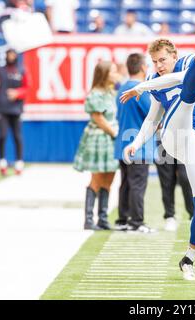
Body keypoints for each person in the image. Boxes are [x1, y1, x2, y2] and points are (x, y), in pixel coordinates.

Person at [120, 17, 195, 281]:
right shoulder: (157, 79)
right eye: (154, 62)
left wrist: (141, 85)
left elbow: (185, 77)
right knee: (187, 97)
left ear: (175, 56)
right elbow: (152, 119)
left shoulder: (187, 67)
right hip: (173, 137)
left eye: (162, 60)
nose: (158, 66)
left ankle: (189, 259)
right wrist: (136, 143)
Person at [73, 62, 120, 231]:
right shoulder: (95, 94)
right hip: (100, 139)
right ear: (104, 74)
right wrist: (115, 133)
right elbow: (98, 119)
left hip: (111, 139)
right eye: (113, 71)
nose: (116, 74)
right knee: (97, 179)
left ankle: (103, 218)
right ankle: (88, 219)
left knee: (109, 179)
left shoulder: (112, 93)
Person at [114, 53, 156, 233]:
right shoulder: (141, 90)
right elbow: (154, 114)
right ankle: (136, 221)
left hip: (122, 144)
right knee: (138, 184)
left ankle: (123, 219)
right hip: (139, 147)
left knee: (125, 184)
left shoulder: (122, 88)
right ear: (142, 68)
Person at [0, 48, 29, 176]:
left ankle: (19, 163)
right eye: (8, 54)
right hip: (3, 107)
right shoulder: (0, 70)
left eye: (13, 55)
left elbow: (28, 88)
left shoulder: (22, 70)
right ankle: (2, 163)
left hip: (16, 108)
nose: (11, 57)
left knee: (17, 136)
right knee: (2, 135)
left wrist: (17, 93)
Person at [155, 140, 194, 231]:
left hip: (184, 143)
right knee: (167, 182)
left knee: (185, 178)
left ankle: (193, 214)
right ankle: (170, 217)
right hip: (163, 142)